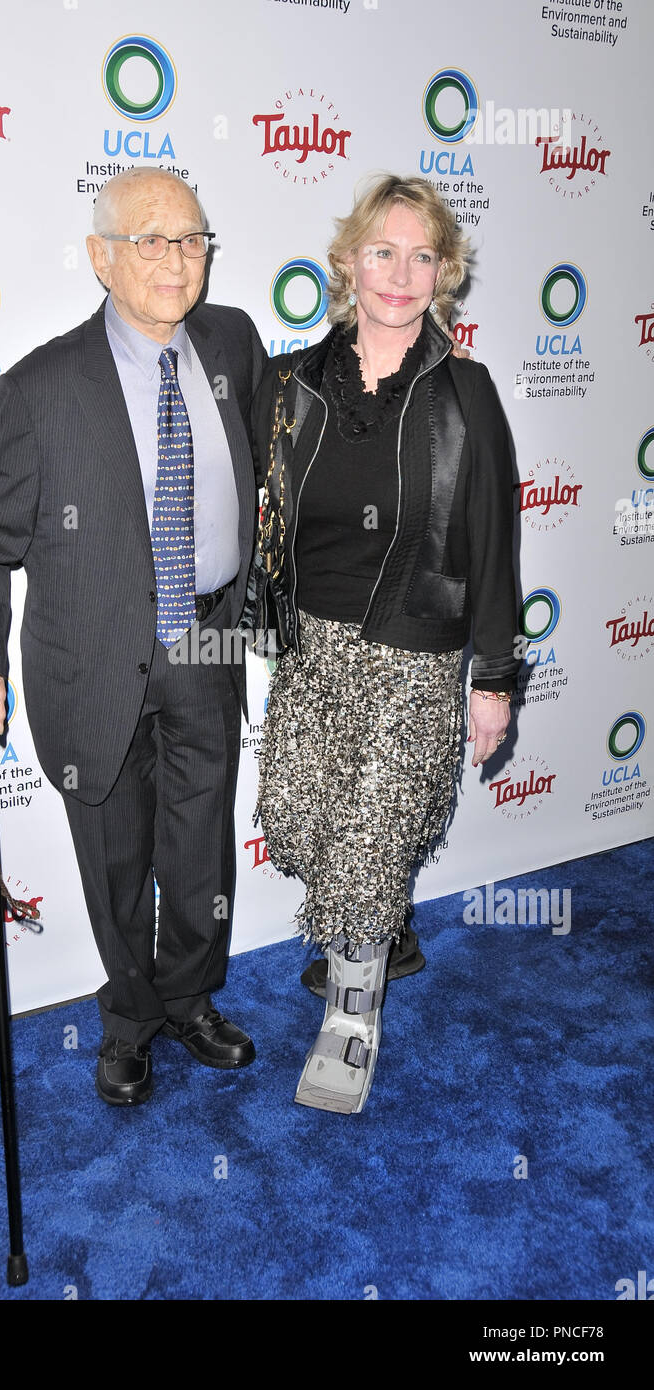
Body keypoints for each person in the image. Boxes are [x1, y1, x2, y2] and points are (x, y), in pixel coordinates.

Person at [0, 168, 267, 1107]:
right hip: (93, 662)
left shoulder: (232, 343)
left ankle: (191, 998)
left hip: (206, 640)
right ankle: (129, 1019)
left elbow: (269, 461)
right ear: (101, 257)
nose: (177, 259)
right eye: (152, 240)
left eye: (193, 239)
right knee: (117, 858)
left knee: (199, 847)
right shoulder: (41, 390)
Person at [251, 173, 519, 1115]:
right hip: (310, 648)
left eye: (420, 256)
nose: (399, 274)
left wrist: (492, 677)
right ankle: (383, 924)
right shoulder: (288, 385)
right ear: (347, 263)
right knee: (293, 823)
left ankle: (350, 1018)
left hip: (413, 649)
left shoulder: (464, 393)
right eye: (381, 252)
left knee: (364, 851)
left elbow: (492, 540)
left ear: (442, 273)